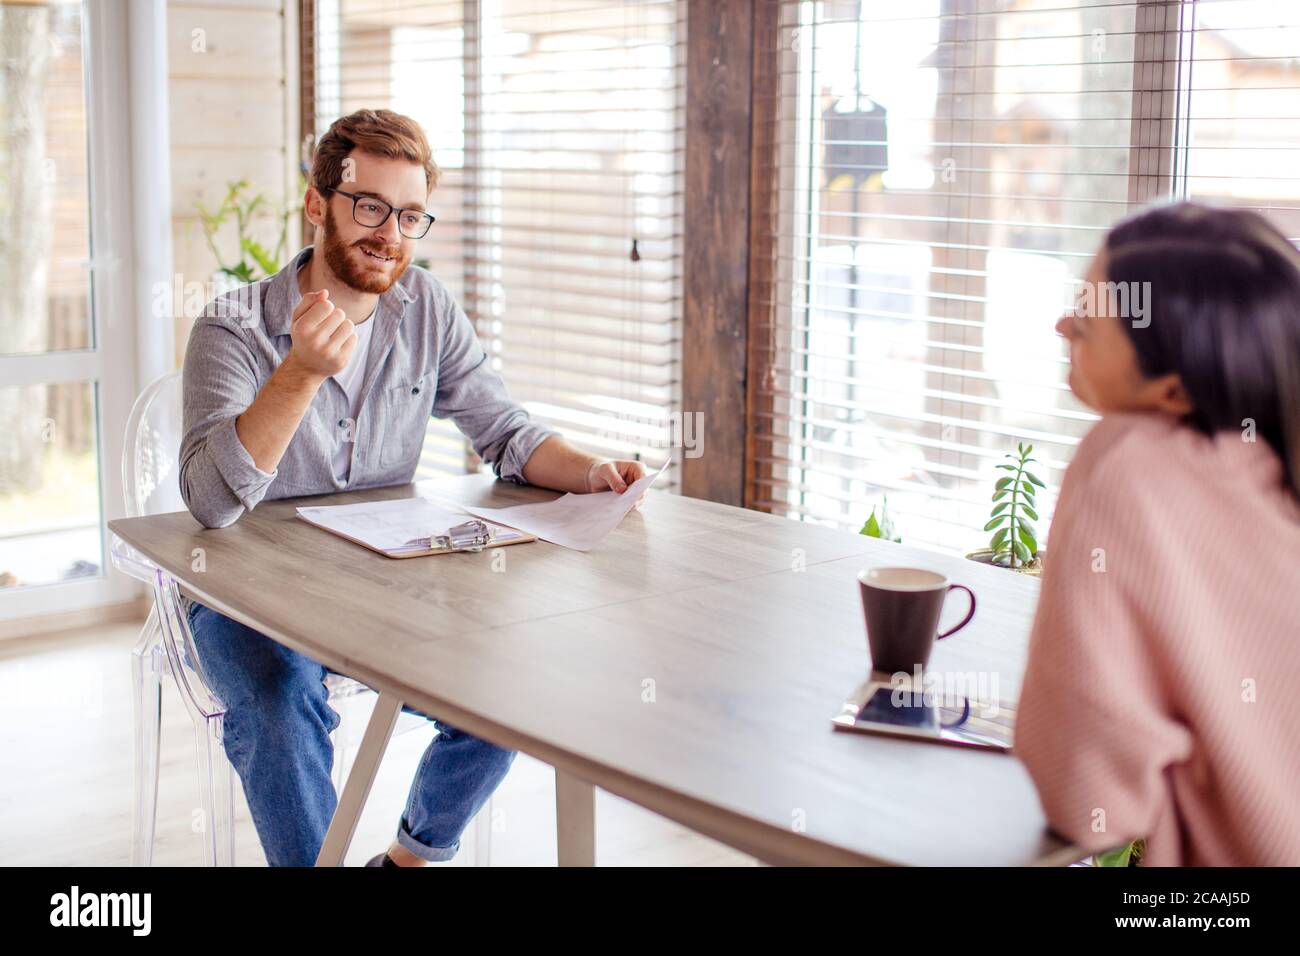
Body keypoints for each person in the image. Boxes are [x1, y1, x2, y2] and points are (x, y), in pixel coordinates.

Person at [179, 108, 647, 866]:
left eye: (408, 215)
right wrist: (298, 373)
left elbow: (506, 433)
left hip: (377, 581)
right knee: (276, 704)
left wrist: (590, 471)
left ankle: (409, 858)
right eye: (368, 206)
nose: (387, 232)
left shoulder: (425, 308)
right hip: (245, 596)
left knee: (505, 679)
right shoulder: (232, 327)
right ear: (315, 203)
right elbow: (208, 501)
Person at [1014, 202, 1300, 865]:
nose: (1060, 326)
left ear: (1173, 393)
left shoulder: (1129, 465)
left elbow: (1089, 800)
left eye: (1085, 324)